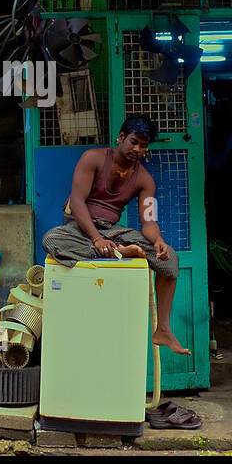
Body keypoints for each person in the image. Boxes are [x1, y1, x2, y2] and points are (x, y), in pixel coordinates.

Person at [42, 114, 191, 356]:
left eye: (143, 145)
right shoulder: (93, 158)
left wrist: (158, 241)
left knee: (170, 260)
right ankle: (117, 252)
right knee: (51, 239)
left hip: (113, 231)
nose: (137, 149)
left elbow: (149, 221)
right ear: (121, 137)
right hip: (78, 228)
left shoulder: (145, 179)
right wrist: (96, 239)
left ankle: (163, 329)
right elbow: (78, 202)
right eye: (133, 142)